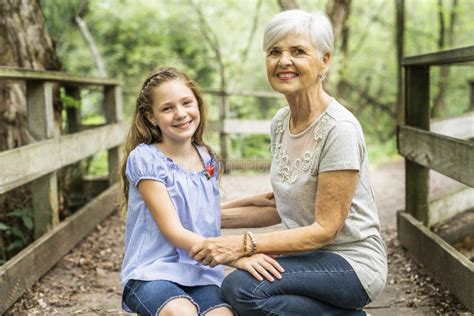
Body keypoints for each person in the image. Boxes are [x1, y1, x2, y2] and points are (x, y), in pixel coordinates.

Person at [190, 10, 387, 315]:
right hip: (307, 258)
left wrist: (245, 245)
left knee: (242, 288)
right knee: (239, 285)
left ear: (324, 60)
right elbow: (277, 205)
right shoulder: (281, 122)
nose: (283, 61)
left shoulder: (339, 130)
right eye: (274, 52)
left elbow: (326, 230)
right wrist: (206, 217)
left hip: (351, 262)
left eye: (297, 51)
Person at [119, 67, 284, 316]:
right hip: (152, 272)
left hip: (201, 274)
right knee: (183, 313)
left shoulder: (206, 157)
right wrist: (237, 257)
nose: (180, 114)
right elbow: (174, 230)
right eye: (167, 108)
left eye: (187, 103)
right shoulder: (146, 159)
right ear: (150, 117)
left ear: (198, 104)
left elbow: (197, 212)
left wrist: (249, 200)